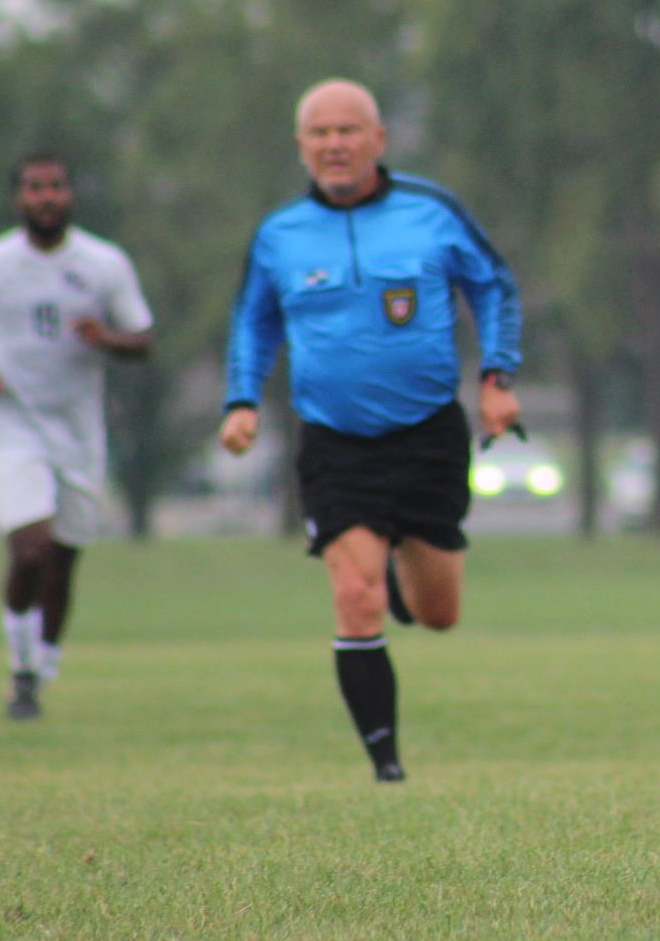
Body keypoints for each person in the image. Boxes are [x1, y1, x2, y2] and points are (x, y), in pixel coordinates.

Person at [220, 79, 523, 782]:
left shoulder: (432, 211)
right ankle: (386, 767)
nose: (334, 145)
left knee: (438, 612)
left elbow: (494, 284)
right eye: (319, 133)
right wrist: (240, 400)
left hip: (428, 436)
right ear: (301, 146)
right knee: (356, 600)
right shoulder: (280, 236)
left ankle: (392, 558)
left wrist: (497, 377)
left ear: (378, 140)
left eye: (348, 131)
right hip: (334, 442)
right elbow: (253, 321)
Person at [0, 153, 155, 721]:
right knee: (30, 547)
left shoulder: (103, 263)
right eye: (35, 188)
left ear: (71, 195)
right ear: (18, 198)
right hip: (12, 424)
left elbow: (143, 340)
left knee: (63, 560)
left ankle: (42, 663)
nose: (46, 197)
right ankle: (21, 670)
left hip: (78, 431)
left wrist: (107, 339)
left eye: (56, 187)